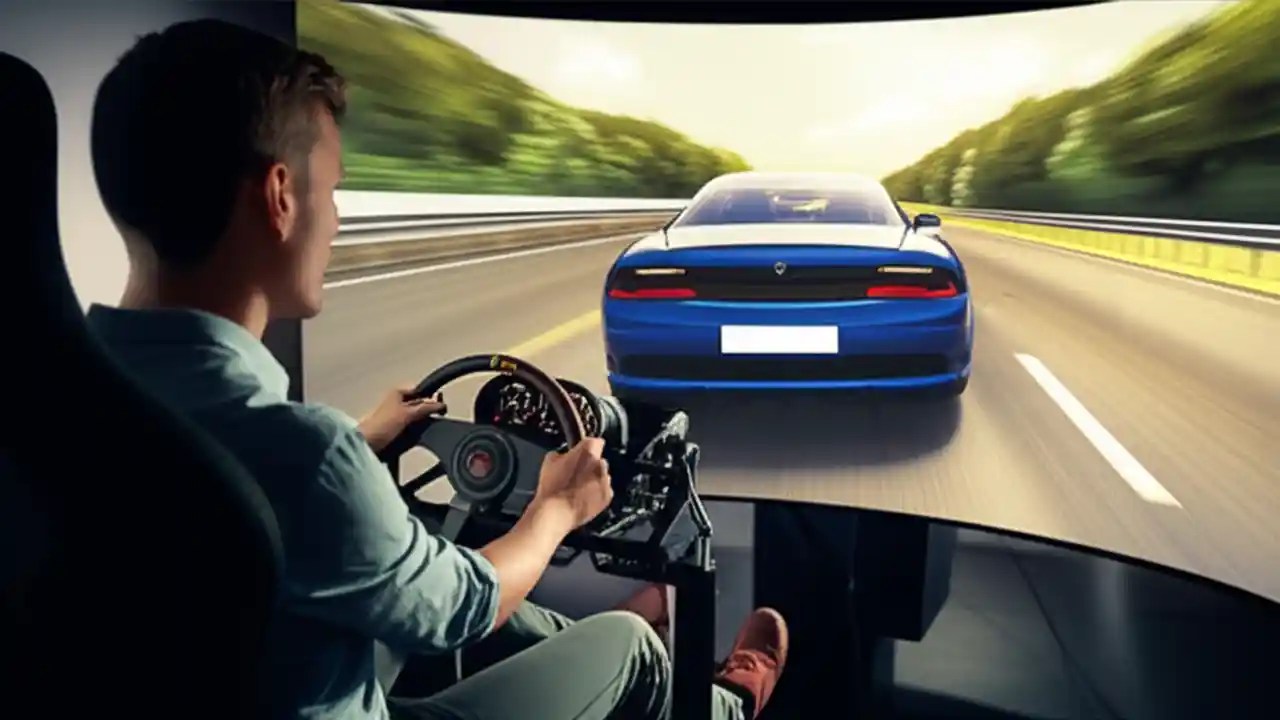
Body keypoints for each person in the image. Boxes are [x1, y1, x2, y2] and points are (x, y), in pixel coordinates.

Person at [84, 18, 788, 720]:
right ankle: (720, 699)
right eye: (332, 191)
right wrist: (556, 510)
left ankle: (630, 659)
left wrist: (358, 445)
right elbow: (464, 608)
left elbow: (229, 499)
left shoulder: (58, 395)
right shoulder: (305, 458)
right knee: (623, 641)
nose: (334, 220)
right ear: (278, 198)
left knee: (439, 569)